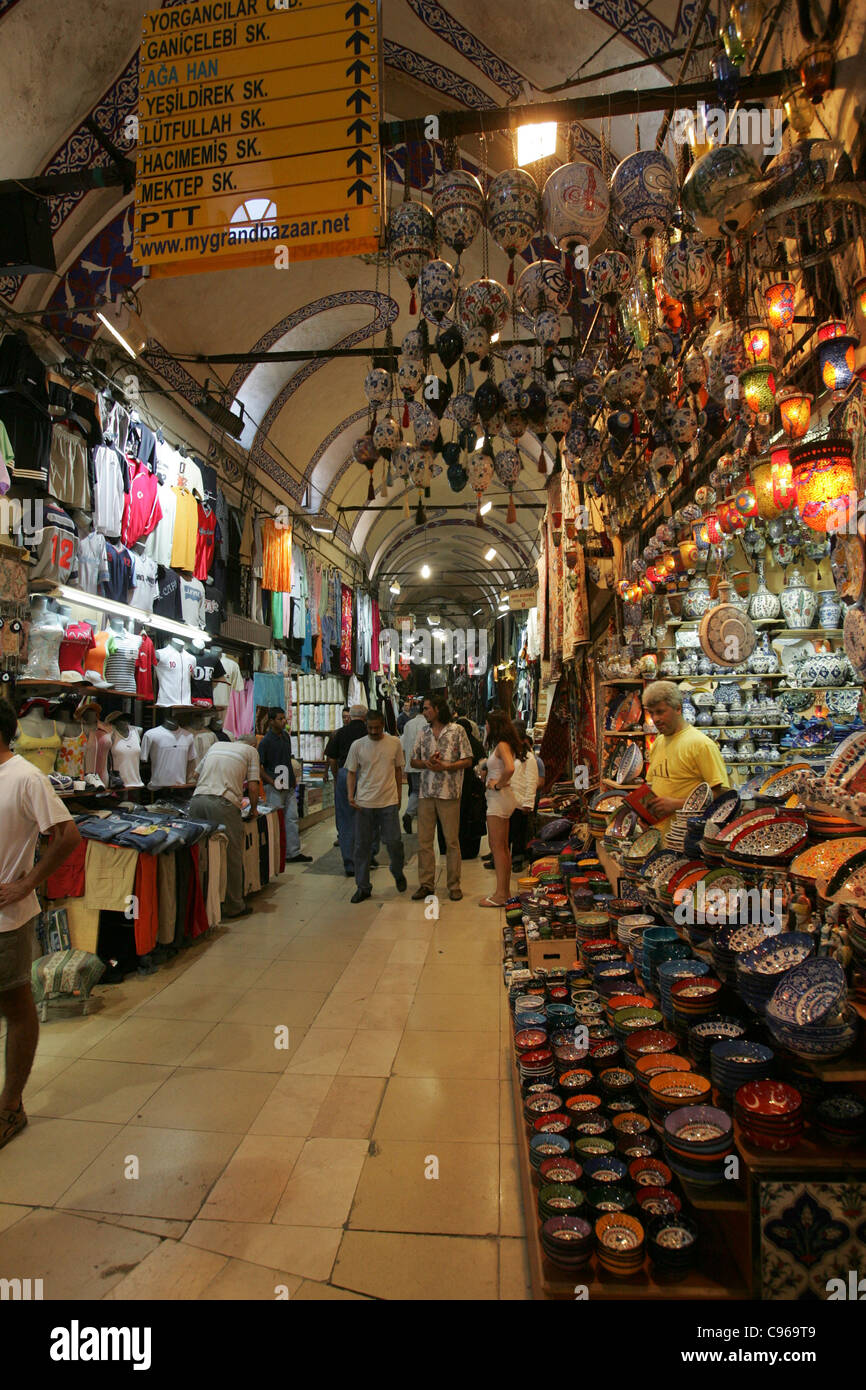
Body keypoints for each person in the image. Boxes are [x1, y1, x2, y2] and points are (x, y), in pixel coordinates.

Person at [0, 697, 82, 1150]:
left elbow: (68, 834)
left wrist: (27, 882)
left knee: (15, 1007)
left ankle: (11, 1106)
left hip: (7, 919)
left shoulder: (26, 778)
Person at [642, 680, 729, 842]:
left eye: (660, 712)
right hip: (660, 836)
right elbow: (654, 786)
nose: (655, 719)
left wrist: (677, 804)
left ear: (678, 708)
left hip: (689, 839)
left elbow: (722, 794)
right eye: (651, 713)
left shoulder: (701, 744)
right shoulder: (659, 742)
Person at [410, 697, 473, 902]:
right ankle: (426, 884)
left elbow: (468, 760)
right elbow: (413, 760)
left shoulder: (457, 731)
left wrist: (446, 766)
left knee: (452, 841)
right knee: (424, 841)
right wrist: (426, 763)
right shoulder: (423, 732)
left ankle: (454, 885)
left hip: (449, 793)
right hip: (426, 793)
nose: (424, 711)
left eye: (427, 708)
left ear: (437, 709)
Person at [190, 738, 261, 918]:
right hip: (223, 802)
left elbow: (195, 776)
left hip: (197, 800)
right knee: (231, 854)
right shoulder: (251, 751)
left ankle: (199, 904)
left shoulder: (216, 745)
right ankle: (234, 905)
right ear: (253, 744)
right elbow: (253, 786)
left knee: (199, 854)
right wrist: (253, 809)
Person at [345, 709, 406, 903]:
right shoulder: (357, 745)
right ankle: (363, 887)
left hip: (388, 801)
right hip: (364, 804)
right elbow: (351, 773)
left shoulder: (394, 743)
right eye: (370, 728)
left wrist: (399, 795)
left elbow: (398, 770)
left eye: (377, 728)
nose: (374, 731)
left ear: (383, 725)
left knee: (394, 842)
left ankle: (397, 870)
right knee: (361, 847)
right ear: (366, 726)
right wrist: (350, 795)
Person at [257, 708, 311, 864]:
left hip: (288, 785)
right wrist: (272, 781)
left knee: (292, 818)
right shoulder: (266, 742)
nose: (283, 721)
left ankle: (293, 852)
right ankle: (275, 853)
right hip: (274, 787)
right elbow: (259, 767)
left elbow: (287, 760)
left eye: (284, 718)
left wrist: (293, 779)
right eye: (280, 719)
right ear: (272, 721)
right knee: (276, 821)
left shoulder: (286, 738)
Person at [478, 709, 520, 908]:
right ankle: (503, 892)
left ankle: (501, 894)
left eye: (487, 723)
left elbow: (510, 768)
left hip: (498, 799)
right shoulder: (503, 744)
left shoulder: (502, 744)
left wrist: (498, 784)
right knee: (502, 848)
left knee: (498, 848)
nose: (485, 726)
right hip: (502, 798)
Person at [325, 704, 370, 877]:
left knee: (345, 820)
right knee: (367, 817)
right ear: (365, 717)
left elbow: (332, 759)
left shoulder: (339, 733)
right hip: (365, 775)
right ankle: (367, 857)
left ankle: (350, 863)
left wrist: (338, 777)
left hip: (345, 773)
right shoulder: (369, 733)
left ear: (350, 716)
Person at [454, 716, 487, 860]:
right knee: (474, 818)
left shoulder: (457, 745)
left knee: (459, 819)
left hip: (459, 788)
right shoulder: (476, 744)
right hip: (474, 788)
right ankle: (472, 850)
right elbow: (483, 764)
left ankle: (460, 849)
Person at [508, 719, 539, 872]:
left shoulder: (529, 758)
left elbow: (532, 781)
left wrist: (528, 802)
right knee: (508, 833)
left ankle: (517, 860)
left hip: (520, 803)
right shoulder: (509, 756)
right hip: (507, 801)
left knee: (518, 834)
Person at [400, 699, 427, 833]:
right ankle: (411, 814)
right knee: (423, 792)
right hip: (425, 764)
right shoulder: (428, 724)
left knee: (416, 790)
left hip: (411, 764)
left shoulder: (408, 724)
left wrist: (405, 763)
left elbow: (404, 745)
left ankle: (410, 814)